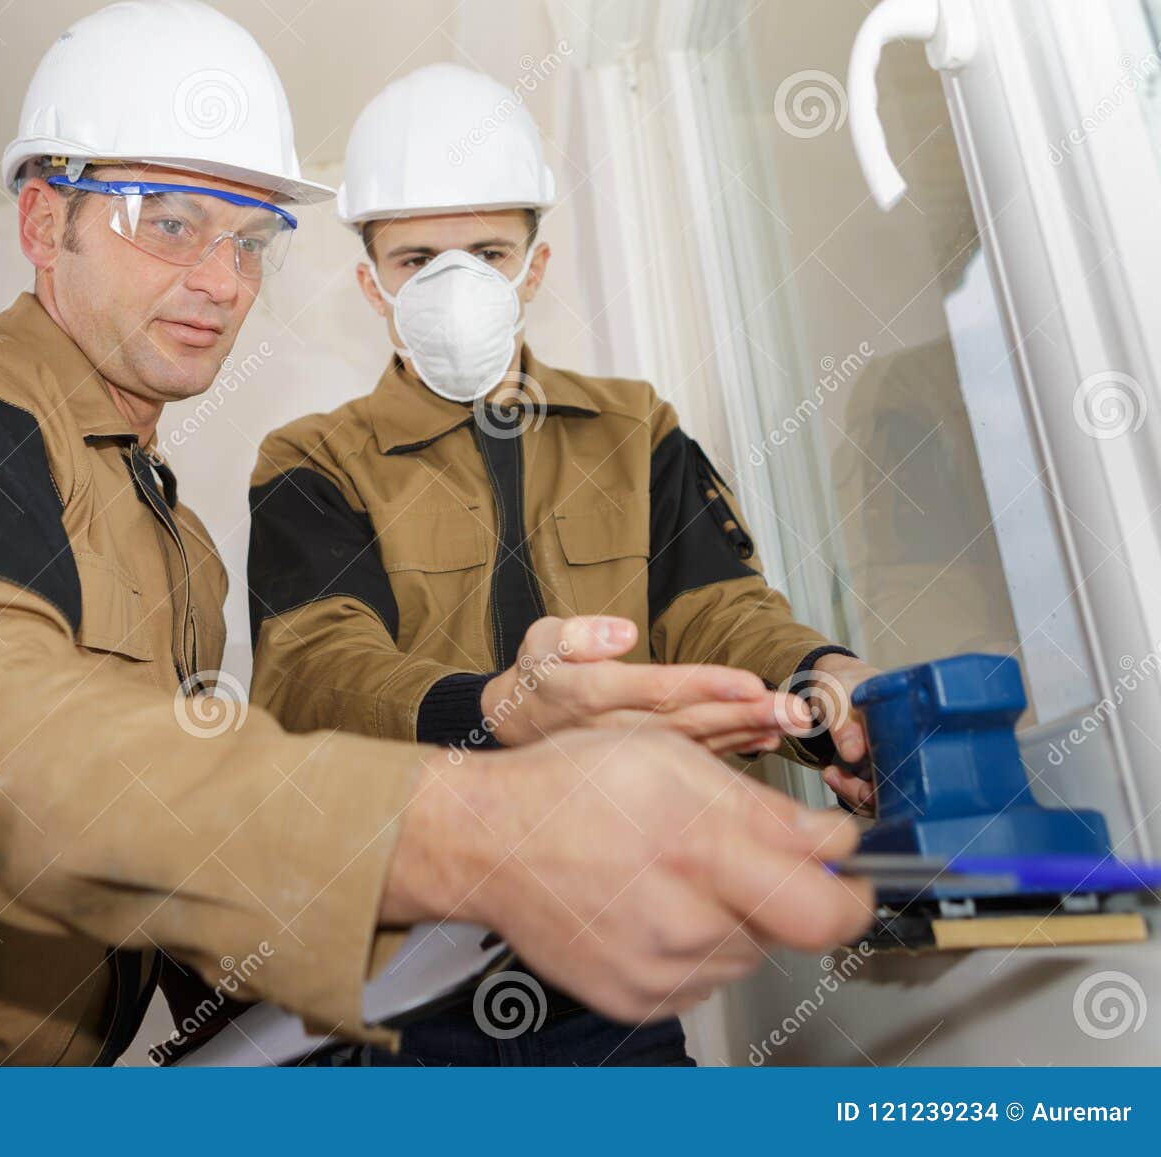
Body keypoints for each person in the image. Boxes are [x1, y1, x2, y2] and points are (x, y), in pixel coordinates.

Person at [0, 5, 871, 1068]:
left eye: (251, 236)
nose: (222, 279)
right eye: (166, 219)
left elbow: (127, 837)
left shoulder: (168, 535)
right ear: (42, 222)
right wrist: (483, 828)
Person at [245, 63, 882, 1067]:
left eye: (488, 250)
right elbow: (316, 674)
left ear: (534, 267)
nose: (456, 285)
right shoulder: (313, 460)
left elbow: (720, 613)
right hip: (391, 974)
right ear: (371, 283)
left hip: (604, 949)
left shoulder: (636, 430)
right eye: (417, 257)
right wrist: (496, 701)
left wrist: (827, 684)